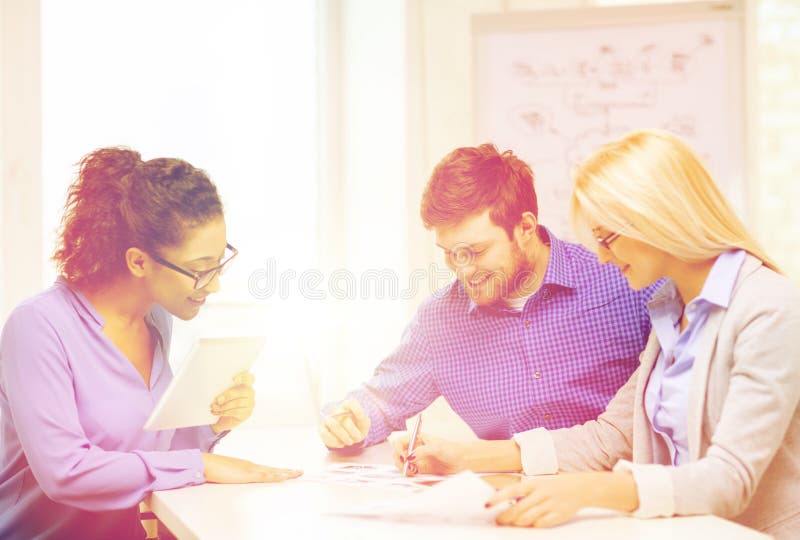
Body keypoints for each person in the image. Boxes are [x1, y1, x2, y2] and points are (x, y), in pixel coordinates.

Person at [402, 130, 800, 539]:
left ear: (659, 220)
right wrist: (464, 458)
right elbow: (610, 436)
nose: (604, 257)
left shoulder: (768, 307)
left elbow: (728, 480)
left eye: (608, 238)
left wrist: (590, 490)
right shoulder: (670, 308)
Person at [0, 148, 302, 540]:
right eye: (199, 270)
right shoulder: (38, 327)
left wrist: (213, 422)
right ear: (138, 262)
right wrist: (202, 464)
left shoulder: (155, 319)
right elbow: (65, 473)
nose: (214, 284)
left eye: (218, 263)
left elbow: (149, 445)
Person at [319, 143, 658, 462]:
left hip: (620, 500)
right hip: (508, 504)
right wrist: (345, 423)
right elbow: (379, 402)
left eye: (476, 252)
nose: (464, 271)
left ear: (525, 227)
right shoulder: (441, 321)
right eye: (451, 255)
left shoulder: (624, 281)